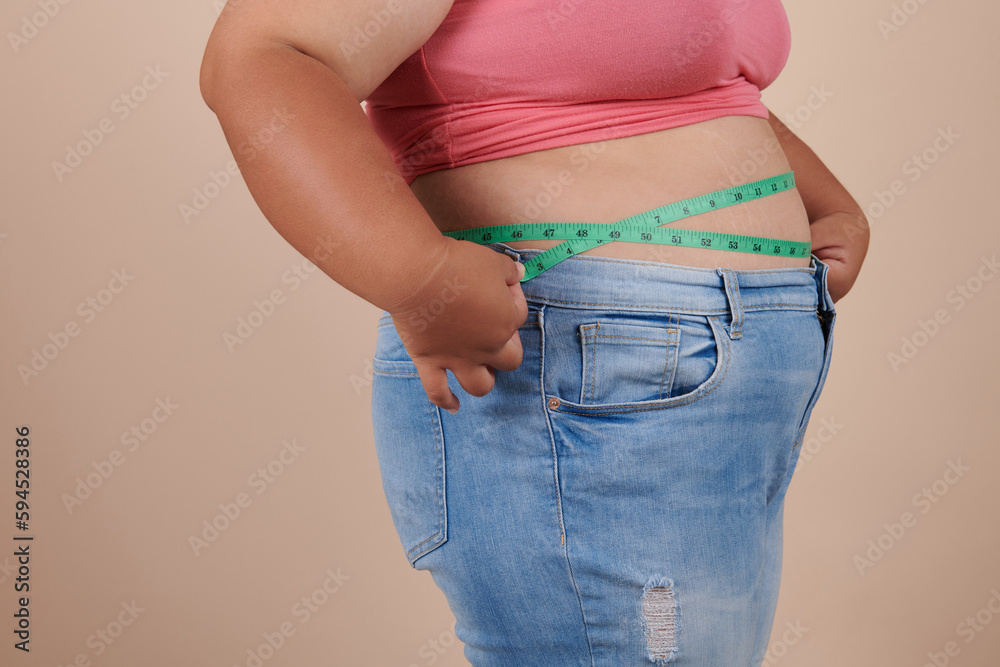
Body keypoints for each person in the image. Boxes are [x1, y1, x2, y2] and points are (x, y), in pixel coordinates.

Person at [200, 0, 869, 664]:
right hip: (581, 368)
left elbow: (692, 83)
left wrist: (821, 197)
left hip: (705, 374)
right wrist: (418, 274)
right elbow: (266, 53)